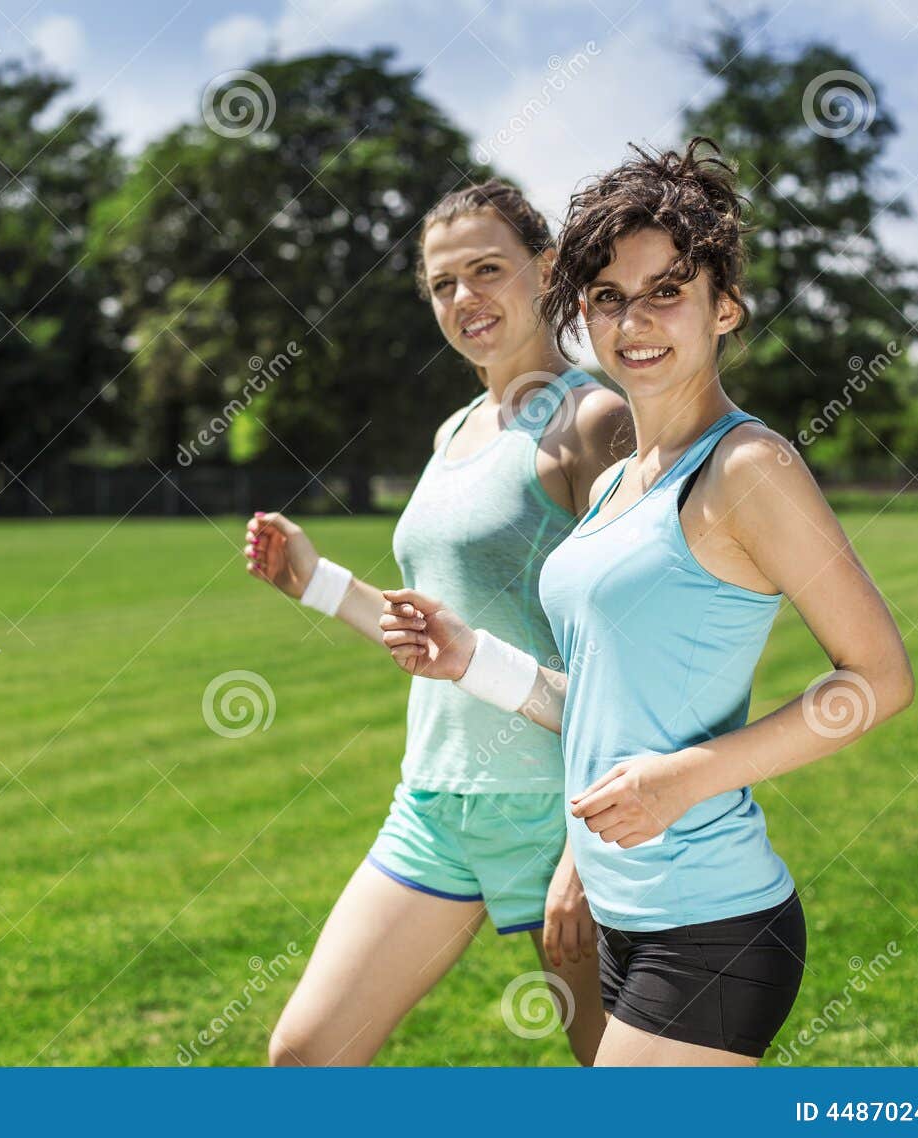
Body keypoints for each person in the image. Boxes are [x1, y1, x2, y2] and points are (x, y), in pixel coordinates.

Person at [378, 139, 915, 1067]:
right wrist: (474, 659)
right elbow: (597, 704)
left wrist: (686, 778)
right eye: (607, 297)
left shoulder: (748, 468)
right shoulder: (616, 482)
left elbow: (880, 678)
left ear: (725, 305)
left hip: (712, 922)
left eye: (667, 289)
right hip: (626, 919)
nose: (635, 321)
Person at [244, 180, 630, 1066]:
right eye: (443, 283)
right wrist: (315, 581)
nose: (465, 298)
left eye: (487, 270)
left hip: (564, 811)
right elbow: (443, 633)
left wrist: (585, 851)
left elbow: (627, 658)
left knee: (625, 1085)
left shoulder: (595, 419)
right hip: (434, 803)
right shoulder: (454, 430)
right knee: (304, 1056)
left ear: (547, 270)